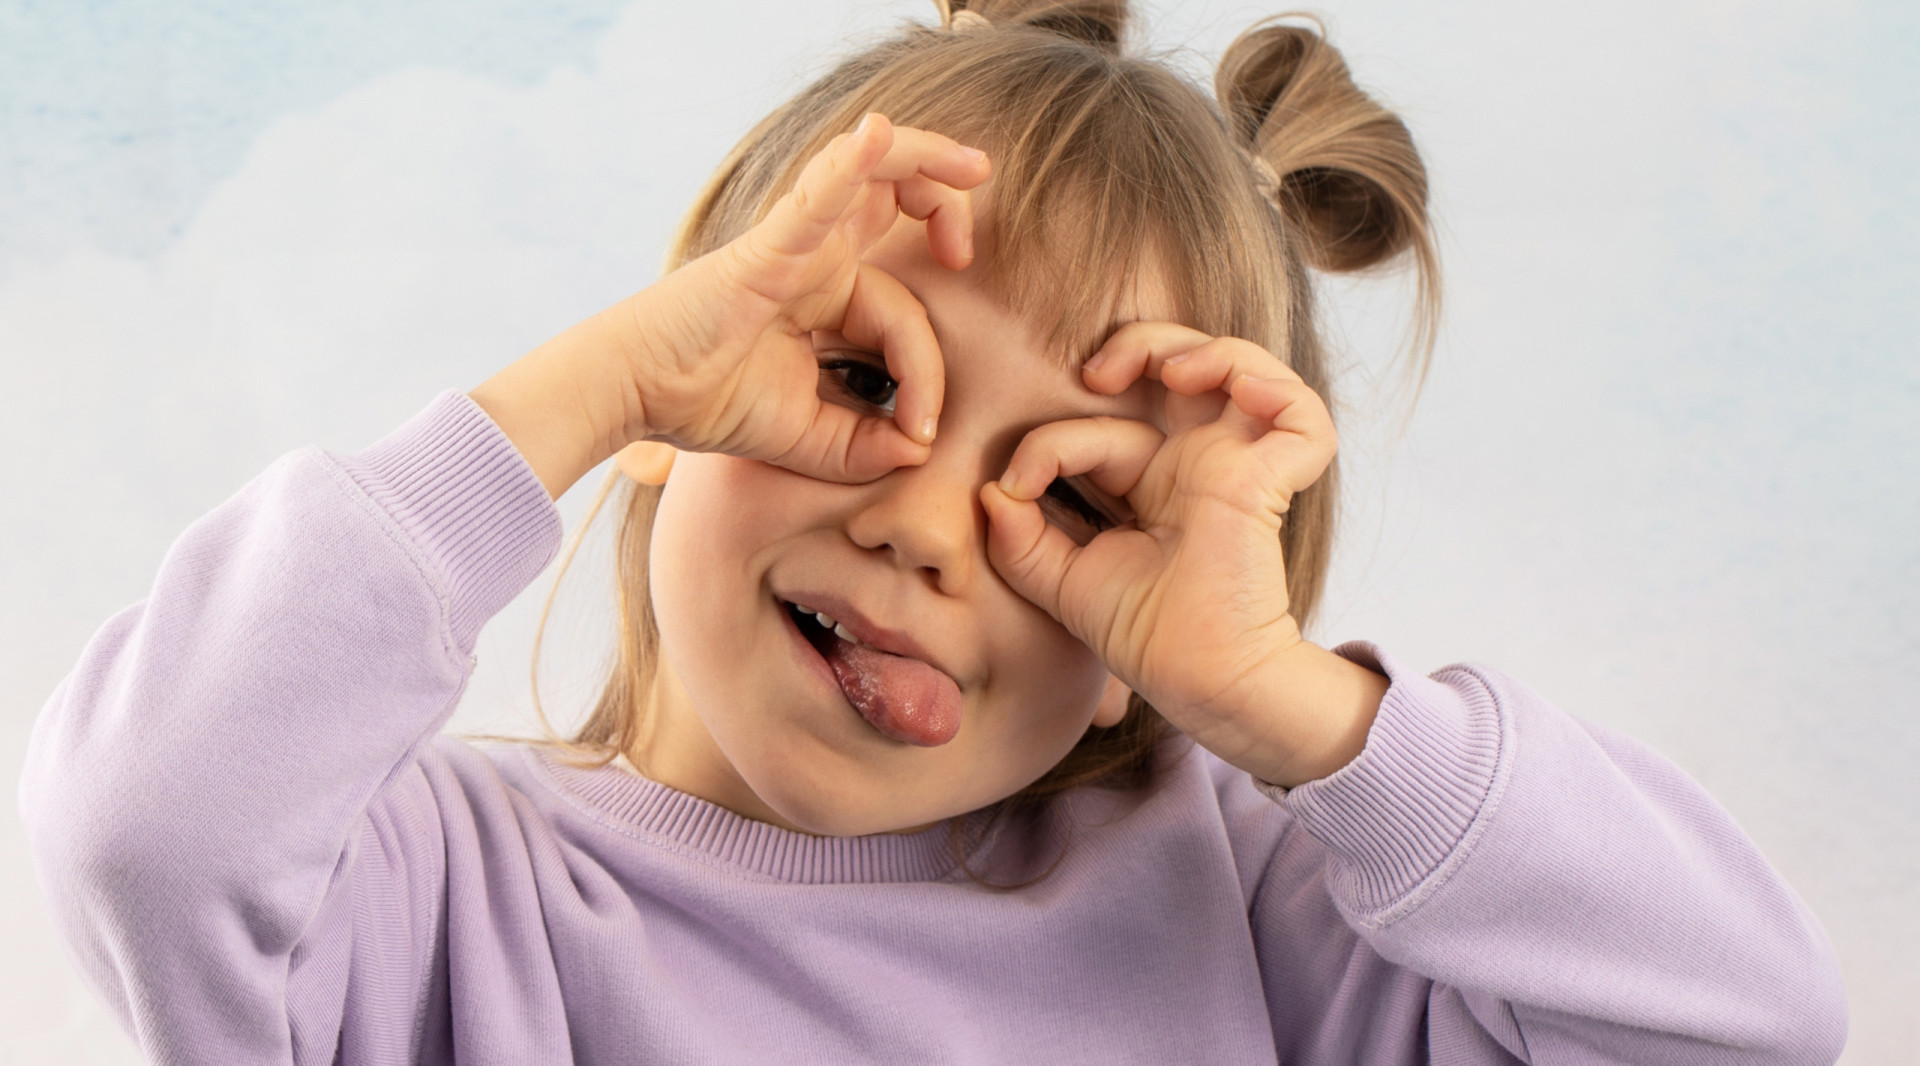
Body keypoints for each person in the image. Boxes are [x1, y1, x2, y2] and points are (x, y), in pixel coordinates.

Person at [20, 1, 1848, 1062]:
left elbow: (1744, 1023)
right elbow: (146, 827)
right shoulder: (438, 902)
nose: (924, 530)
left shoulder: (1251, 905)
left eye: (1071, 495)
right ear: (686, 378)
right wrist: (573, 399)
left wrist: (1295, 707)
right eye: (855, 381)